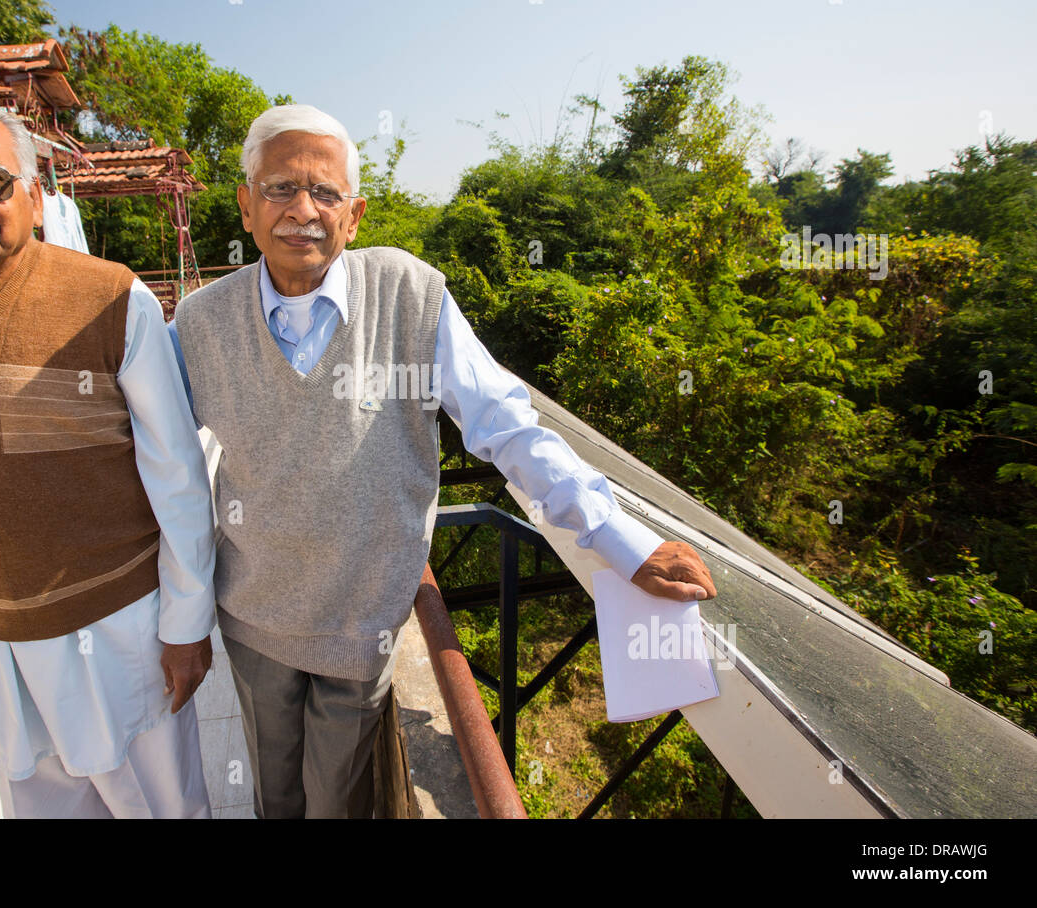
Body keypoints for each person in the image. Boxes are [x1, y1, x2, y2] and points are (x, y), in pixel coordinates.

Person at [170, 104, 719, 819]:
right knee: (274, 792)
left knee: (335, 797)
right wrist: (172, 621)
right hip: (252, 617)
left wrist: (619, 538)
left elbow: (502, 422)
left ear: (356, 214)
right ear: (245, 205)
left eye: (326, 193)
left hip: (363, 619)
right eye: (279, 188)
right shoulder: (200, 323)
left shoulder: (409, 294)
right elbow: (165, 474)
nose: (303, 210)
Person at [0, 88, 216, 818]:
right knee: (41, 802)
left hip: (121, 630)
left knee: (159, 804)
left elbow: (175, 472)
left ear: (32, 195)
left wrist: (186, 625)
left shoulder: (109, 299)